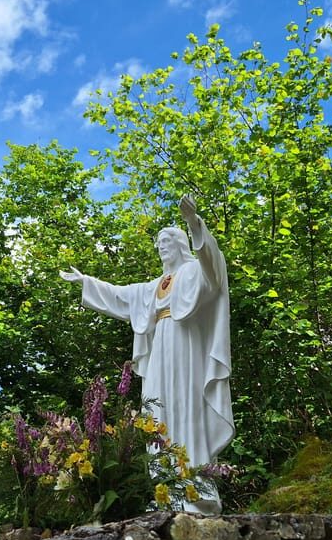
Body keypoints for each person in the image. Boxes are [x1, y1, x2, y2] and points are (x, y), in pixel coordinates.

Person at [60, 195, 234, 513]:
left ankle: (196, 489)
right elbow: (121, 296)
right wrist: (87, 281)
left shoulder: (195, 272)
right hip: (160, 358)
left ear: (181, 244)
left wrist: (195, 223)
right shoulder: (154, 286)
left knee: (187, 408)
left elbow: (215, 269)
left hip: (187, 353)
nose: (161, 247)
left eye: (167, 241)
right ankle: (167, 490)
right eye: (159, 244)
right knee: (160, 414)